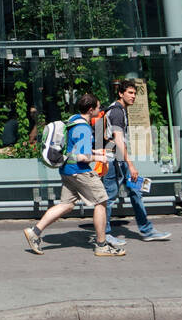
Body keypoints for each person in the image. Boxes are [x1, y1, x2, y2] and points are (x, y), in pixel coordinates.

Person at [21, 93, 124, 257]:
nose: (100, 110)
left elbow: (74, 148)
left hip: (67, 170)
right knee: (102, 201)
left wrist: (96, 151)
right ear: (91, 110)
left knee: (67, 205)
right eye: (98, 107)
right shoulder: (84, 128)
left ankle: (34, 232)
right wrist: (100, 157)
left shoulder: (74, 120)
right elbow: (82, 157)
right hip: (79, 171)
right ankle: (102, 245)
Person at [100, 80, 171, 246]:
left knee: (136, 190)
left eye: (134, 93)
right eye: (130, 93)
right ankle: (105, 235)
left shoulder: (121, 110)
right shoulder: (117, 112)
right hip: (113, 162)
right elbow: (118, 140)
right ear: (121, 93)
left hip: (120, 161)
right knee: (108, 199)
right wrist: (131, 164)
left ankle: (147, 230)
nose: (133, 97)